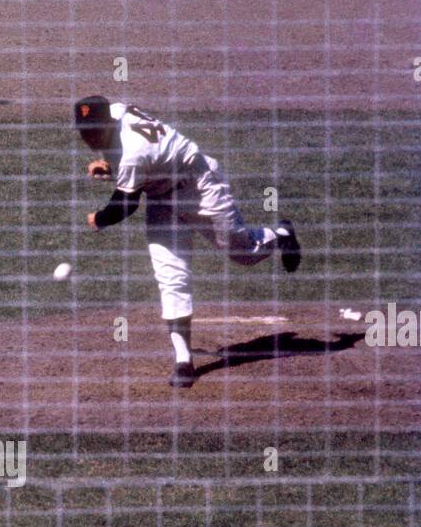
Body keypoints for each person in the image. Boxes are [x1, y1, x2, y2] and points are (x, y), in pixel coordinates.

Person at [74, 95, 302, 388]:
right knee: (171, 276)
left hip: (200, 186)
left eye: (95, 129)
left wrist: (99, 219)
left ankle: (280, 235)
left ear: (109, 122)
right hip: (161, 198)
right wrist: (111, 164)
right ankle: (184, 361)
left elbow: (125, 205)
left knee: (243, 252)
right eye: (84, 131)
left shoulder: (133, 154)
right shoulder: (116, 113)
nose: (89, 136)